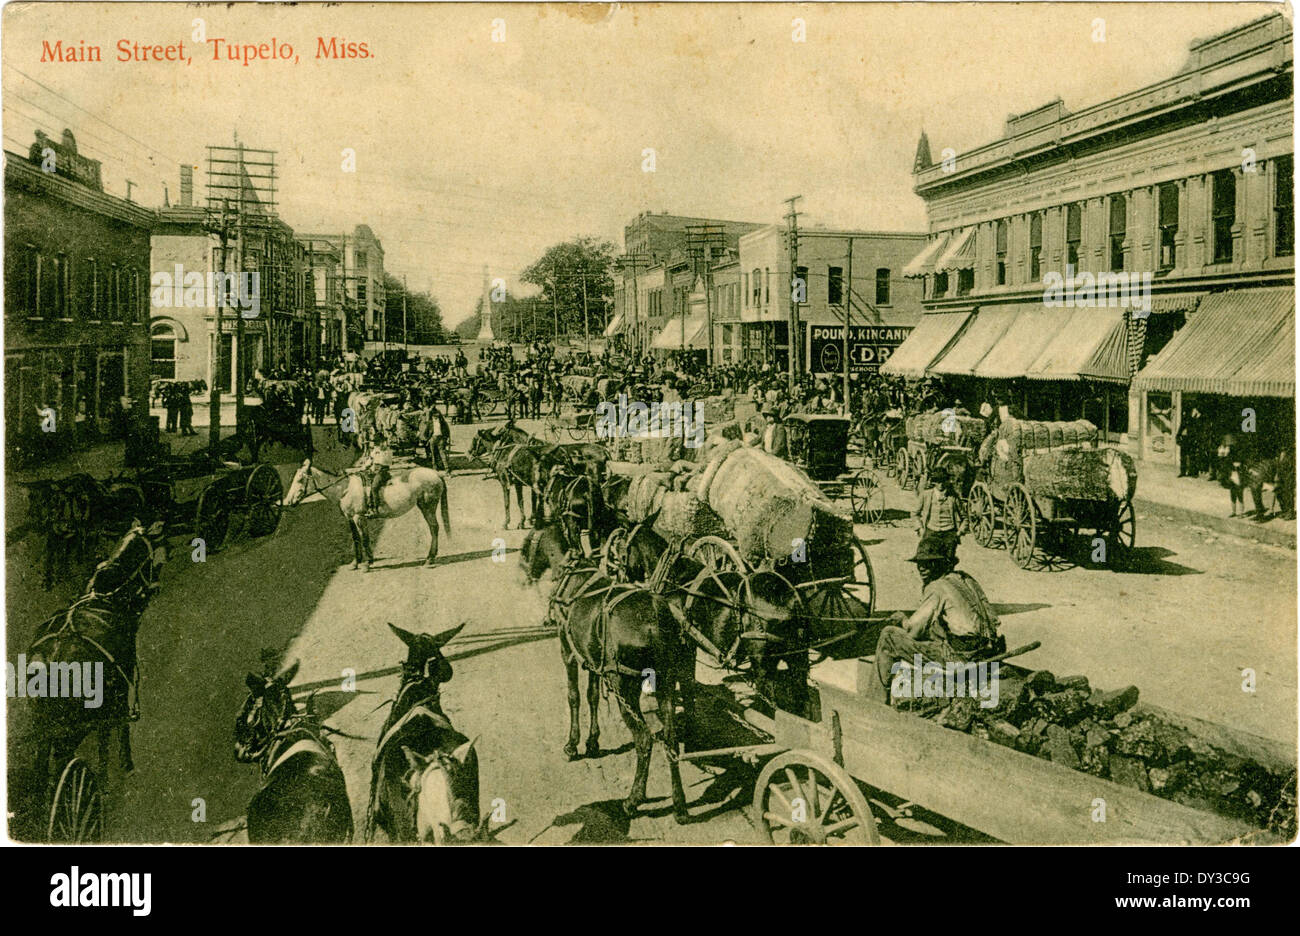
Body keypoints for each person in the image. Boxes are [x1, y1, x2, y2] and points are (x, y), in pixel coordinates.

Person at [869, 536, 1003, 705]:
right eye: (920, 563)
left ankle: (874, 701)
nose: (921, 568)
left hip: (962, 659)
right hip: (989, 650)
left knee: (888, 636)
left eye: (929, 563)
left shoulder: (937, 587)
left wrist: (902, 619)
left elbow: (914, 632)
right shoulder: (966, 579)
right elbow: (992, 619)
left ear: (941, 564)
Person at [913, 462, 968, 557]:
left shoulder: (953, 497)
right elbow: (915, 514)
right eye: (938, 481)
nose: (941, 484)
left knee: (947, 559)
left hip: (949, 532)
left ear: (947, 481)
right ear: (934, 482)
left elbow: (965, 517)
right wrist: (920, 528)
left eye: (943, 481)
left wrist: (959, 532)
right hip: (931, 531)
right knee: (924, 557)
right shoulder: (926, 495)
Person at [362, 444, 393, 518]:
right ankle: (369, 505)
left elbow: (387, 462)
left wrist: (379, 456)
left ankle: (377, 508)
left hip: (383, 471)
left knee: (374, 487)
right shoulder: (375, 450)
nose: (379, 444)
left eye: (380, 442)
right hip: (375, 471)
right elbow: (370, 460)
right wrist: (364, 467)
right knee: (365, 483)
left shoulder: (387, 451)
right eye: (377, 442)